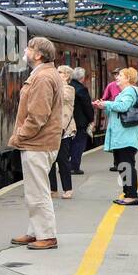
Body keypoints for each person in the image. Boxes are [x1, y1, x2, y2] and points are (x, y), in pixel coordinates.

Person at [9, 37, 63, 251]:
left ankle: (47, 236)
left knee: (38, 191)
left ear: (38, 54)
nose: (26, 50)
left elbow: (38, 115)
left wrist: (20, 136)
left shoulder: (42, 78)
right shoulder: (47, 74)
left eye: (30, 48)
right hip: (42, 142)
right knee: (35, 189)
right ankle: (35, 232)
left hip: (38, 142)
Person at [93, 67, 138, 206]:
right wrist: (104, 106)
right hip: (124, 136)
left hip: (125, 136)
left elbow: (123, 107)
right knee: (123, 165)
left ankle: (132, 195)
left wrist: (106, 103)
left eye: (120, 75)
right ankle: (128, 194)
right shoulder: (128, 91)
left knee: (126, 165)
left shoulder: (129, 91)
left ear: (128, 78)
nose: (117, 77)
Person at [49, 65, 77, 200]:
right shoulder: (56, 88)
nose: (56, 73)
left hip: (64, 129)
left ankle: (68, 189)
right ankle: (52, 189)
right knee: (50, 161)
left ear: (66, 76)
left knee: (63, 160)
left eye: (59, 72)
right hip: (52, 129)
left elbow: (61, 98)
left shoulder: (69, 89)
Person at [68, 66, 92, 175]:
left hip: (67, 122)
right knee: (78, 145)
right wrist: (91, 119)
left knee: (67, 145)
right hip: (80, 123)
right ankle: (74, 167)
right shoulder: (82, 89)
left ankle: (65, 166)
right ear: (82, 78)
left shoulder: (68, 87)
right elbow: (87, 106)